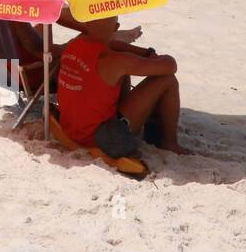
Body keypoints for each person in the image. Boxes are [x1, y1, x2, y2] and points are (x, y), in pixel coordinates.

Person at [57, 16, 188, 156]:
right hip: (104, 138)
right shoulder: (117, 60)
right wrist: (150, 54)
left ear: (87, 23)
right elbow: (170, 65)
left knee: (117, 76)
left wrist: (146, 52)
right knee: (167, 79)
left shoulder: (74, 45)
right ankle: (170, 143)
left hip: (72, 129)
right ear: (116, 28)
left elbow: (114, 45)